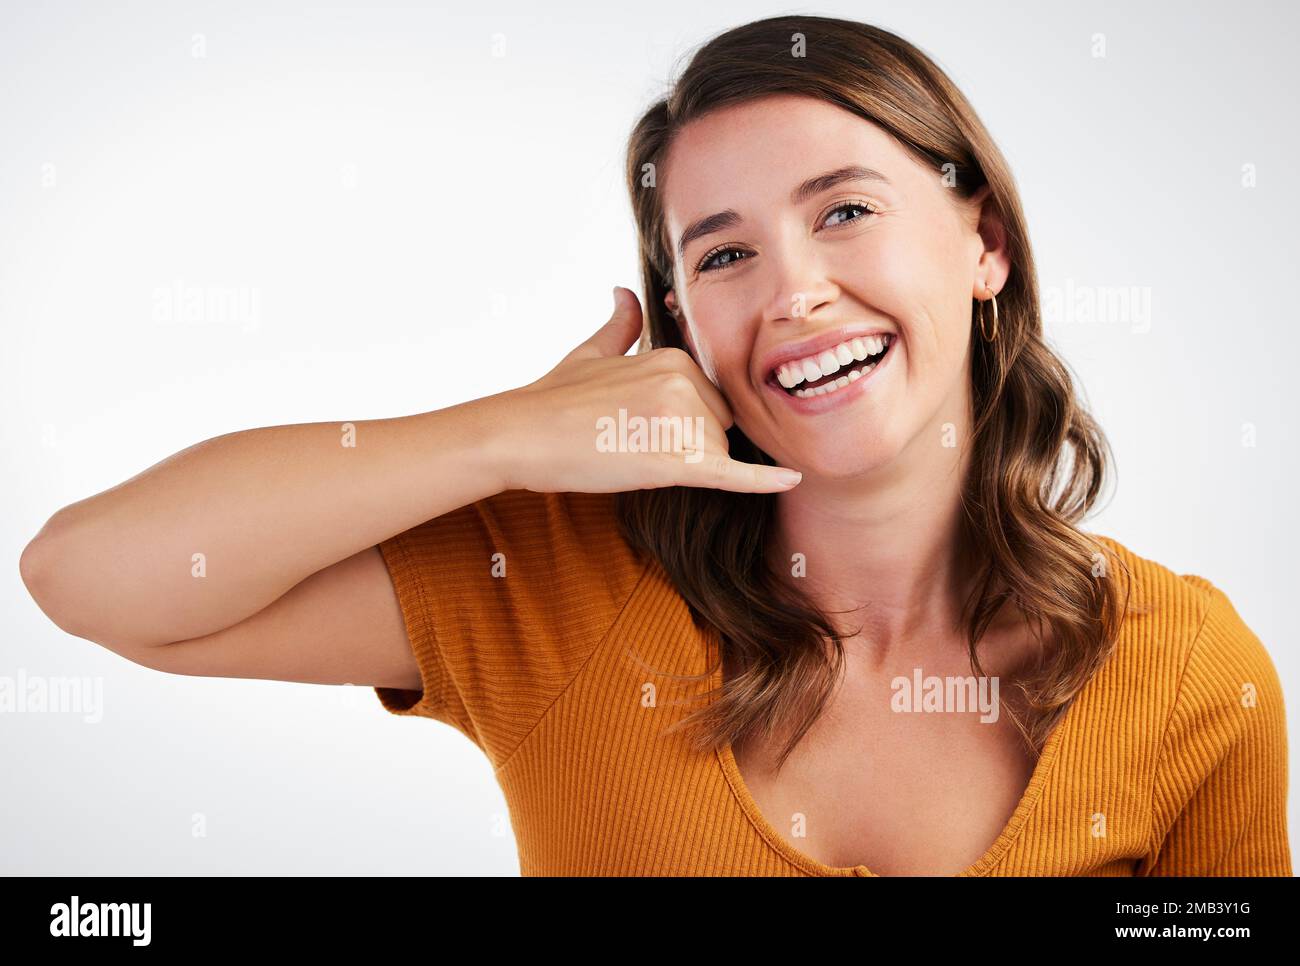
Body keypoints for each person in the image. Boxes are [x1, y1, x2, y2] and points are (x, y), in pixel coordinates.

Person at [18, 15, 1289, 876]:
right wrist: (501, 438)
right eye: (724, 253)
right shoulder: (560, 589)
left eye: (844, 210)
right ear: (679, 316)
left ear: (984, 243)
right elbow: (89, 575)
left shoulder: (1186, 672)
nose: (792, 292)